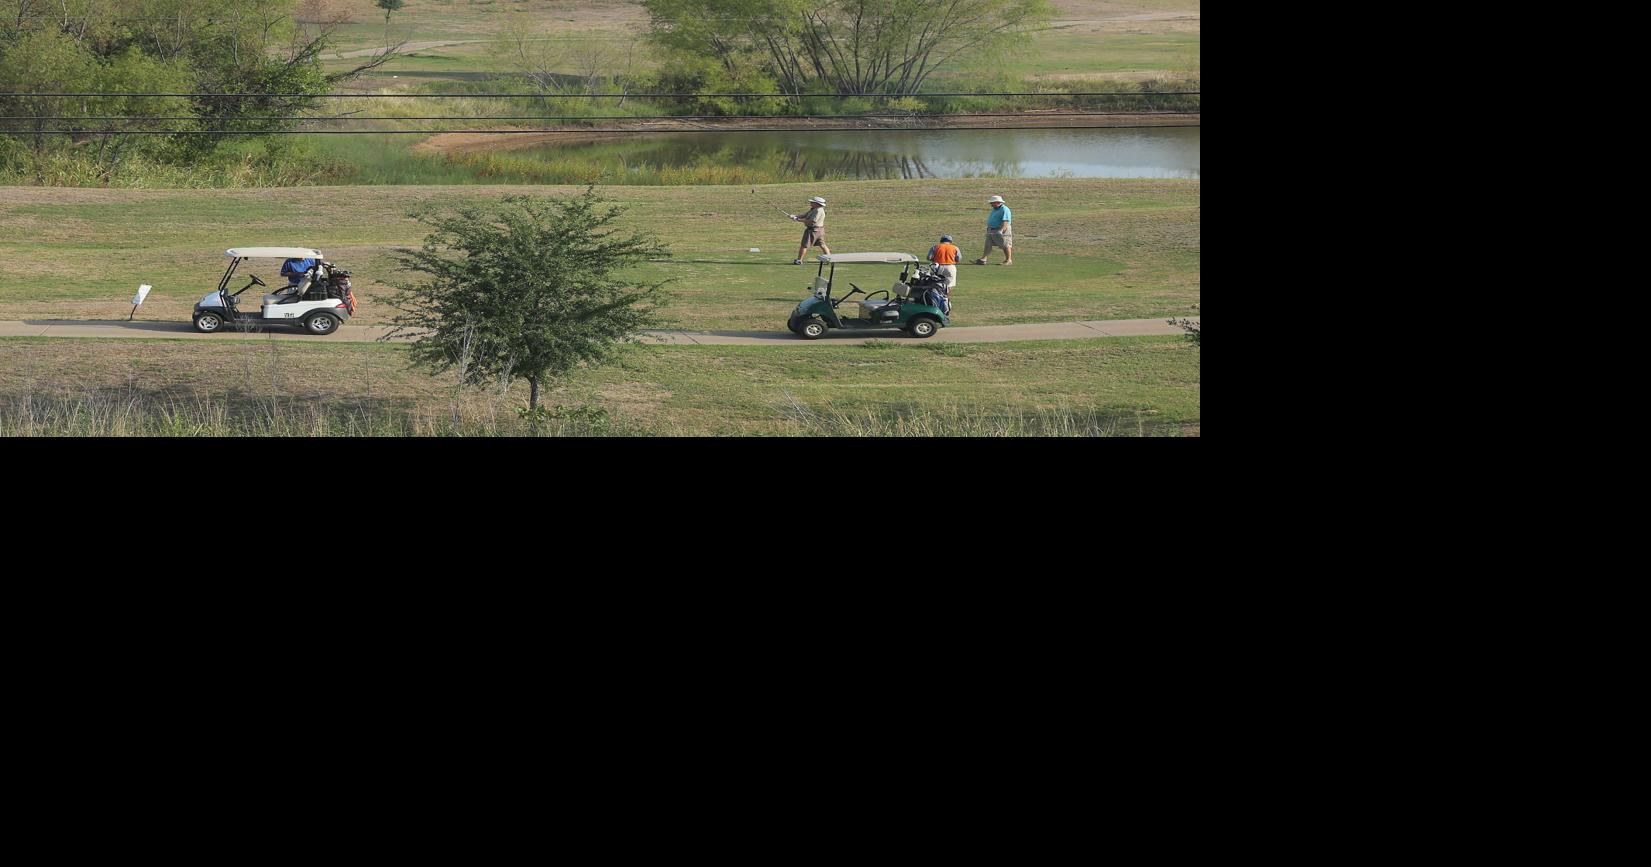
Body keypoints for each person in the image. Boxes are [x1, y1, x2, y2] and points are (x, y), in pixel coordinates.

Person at [974, 195, 1013, 266]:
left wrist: (1001, 230)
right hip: (992, 230)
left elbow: (1006, 221)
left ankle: (1008, 260)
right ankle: (983, 259)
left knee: (1005, 244)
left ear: (997, 202)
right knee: (988, 244)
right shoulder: (995, 209)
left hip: (1001, 229)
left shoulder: (1005, 209)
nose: (991, 204)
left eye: (992, 203)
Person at [791, 196, 830, 264]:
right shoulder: (813, 209)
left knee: (804, 245)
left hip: (813, 230)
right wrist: (795, 216)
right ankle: (829, 259)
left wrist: (797, 219)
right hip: (819, 230)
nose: (811, 203)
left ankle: (799, 260)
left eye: (812, 202)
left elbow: (811, 221)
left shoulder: (818, 210)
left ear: (817, 203)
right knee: (822, 244)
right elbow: (804, 215)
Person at [928, 234, 960, 312]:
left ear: (941, 240)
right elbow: (958, 258)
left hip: (938, 267)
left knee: (936, 284)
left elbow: (929, 257)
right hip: (950, 267)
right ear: (950, 241)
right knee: (948, 286)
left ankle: (936, 300)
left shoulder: (935, 247)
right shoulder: (955, 248)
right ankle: (945, 302)